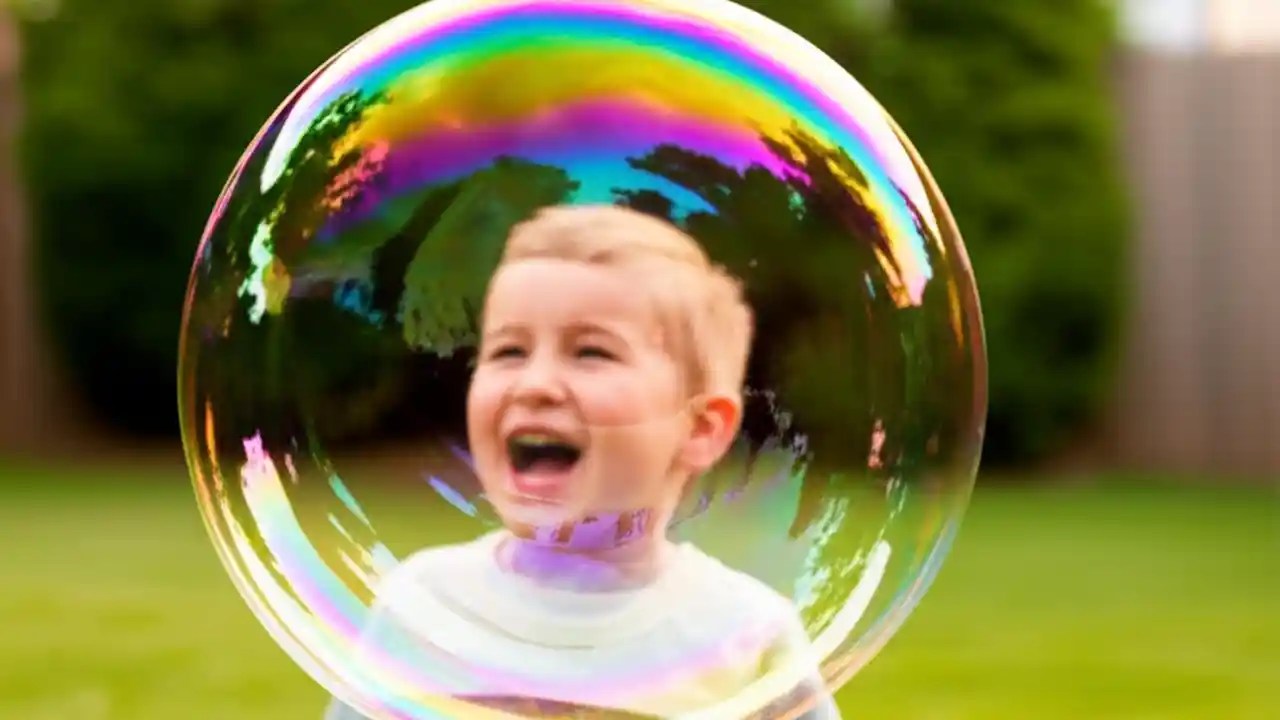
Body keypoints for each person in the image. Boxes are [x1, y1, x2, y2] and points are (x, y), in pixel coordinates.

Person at [325, 205, 840, 719]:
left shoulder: (746, 635)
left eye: (591, 352)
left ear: (700, 429)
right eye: (508, 351)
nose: (535, 384)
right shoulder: (424, 605)